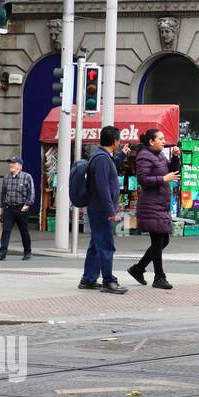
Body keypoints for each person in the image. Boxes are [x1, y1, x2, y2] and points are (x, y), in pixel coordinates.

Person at [128, 128, 180, 289]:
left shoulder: (159, 155)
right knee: (158, 242)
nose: (164, 141)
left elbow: (172, 171)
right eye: (161, 139)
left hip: (160, 205)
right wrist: (164, 178)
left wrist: (176, 157)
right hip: (151, 205)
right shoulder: (144, 156)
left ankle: (138, 268)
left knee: (164, 240)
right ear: (151, 141)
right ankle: (159, 277)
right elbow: (142, 179)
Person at [80, 125, 127, 294]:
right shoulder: (101, 159)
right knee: (106, 245)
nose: (120, 143)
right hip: (101, 210)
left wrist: (122, 155)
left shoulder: (102, 157)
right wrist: (110, 211)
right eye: (119, 140)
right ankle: (108, 281)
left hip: (99, 208)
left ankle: (89, 279)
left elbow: (108, 171)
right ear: (115, 141)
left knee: (96, 244)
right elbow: (102, 187)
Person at [0, 156, 35, 260]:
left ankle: (27, 252)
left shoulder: (27, 177)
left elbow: (31, 193)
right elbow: (3, 195)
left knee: (24, 231)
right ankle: (2, 253)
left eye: (13, 163)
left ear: (19, 166)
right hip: (9, 208)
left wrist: (26, 205)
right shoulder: (6, 178)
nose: (11, 165)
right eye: (10, 163)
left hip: (21, 209)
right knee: (6, 230)